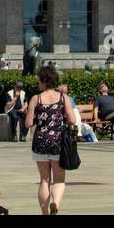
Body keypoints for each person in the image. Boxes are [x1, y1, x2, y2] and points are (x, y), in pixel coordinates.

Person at [25, 64, 78, 215]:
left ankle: (44, 213)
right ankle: (55, 203)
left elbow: (29, 123)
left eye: (38, 80)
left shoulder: (36, 99)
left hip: (40, 141)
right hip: (57, 142)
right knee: (59, 180)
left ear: (42, 81)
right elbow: (72, 120)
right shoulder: (63, 98)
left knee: (44, 180)